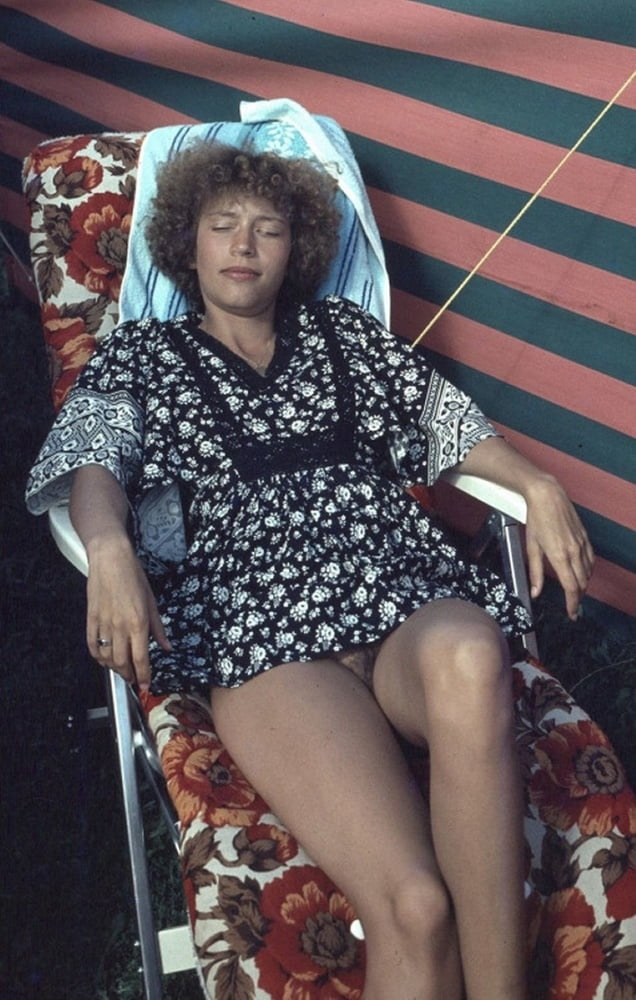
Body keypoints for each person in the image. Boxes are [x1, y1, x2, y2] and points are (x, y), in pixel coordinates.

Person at [26, 142, 594, 1000]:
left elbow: (444, 423)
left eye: (268, 228)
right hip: (265, 638)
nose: (244, 244)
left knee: (473, 651)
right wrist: (108, 547)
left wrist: (535, 482)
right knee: (416, 908)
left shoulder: (343, 334)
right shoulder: (143, 354)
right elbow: (94, 466)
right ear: (186, 243)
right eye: (223, 225)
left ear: (296, 249)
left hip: (401, 595)